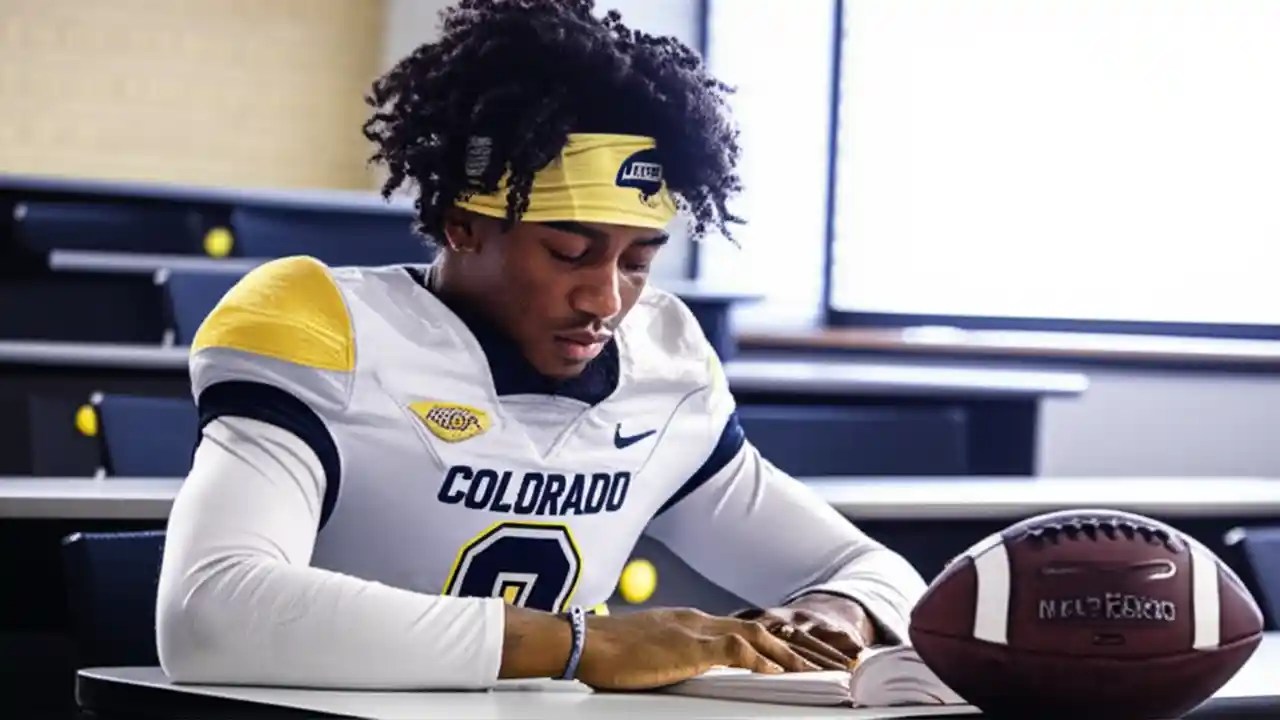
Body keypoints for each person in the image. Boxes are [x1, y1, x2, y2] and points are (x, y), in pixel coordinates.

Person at [155, 0, 925, 692]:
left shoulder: (664, 362)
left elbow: (866, 569)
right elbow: (209, 611)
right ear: (462, 223)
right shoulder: (326, 328)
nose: (606, 299)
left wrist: (835, 616)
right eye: (569, 253)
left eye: (637, 260)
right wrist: (578, 646)